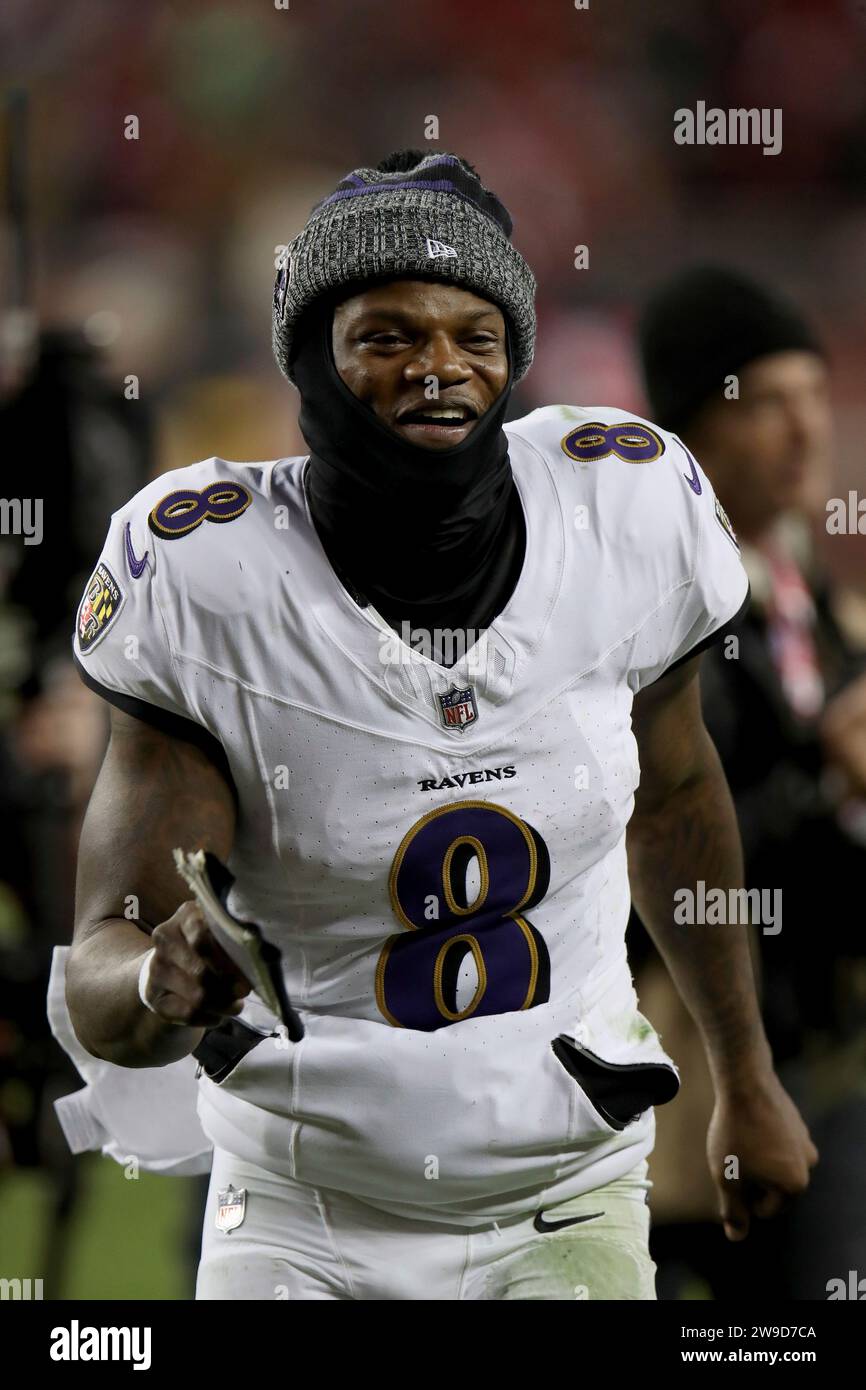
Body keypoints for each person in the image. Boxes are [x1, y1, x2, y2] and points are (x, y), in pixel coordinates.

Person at [61, 153, 816, 1301]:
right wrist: (157, 984)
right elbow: (100, 970)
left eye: (475, 333)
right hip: (300, 1205)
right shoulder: (206, 573)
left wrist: (744, 1075)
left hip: (561, 1183)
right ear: (310, 356)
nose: (439, 369)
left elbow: (671, 797)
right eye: (387, 336)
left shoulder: (620, 505)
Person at [636, 266, 866, 1299]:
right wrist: (827, 774)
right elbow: (666, 840)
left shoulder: (794, 582)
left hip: (809, 1043)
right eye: (770, 402)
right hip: (679, 1070)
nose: (804, 431)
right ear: (692, 426)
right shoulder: (659, 600)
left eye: (813, 398)